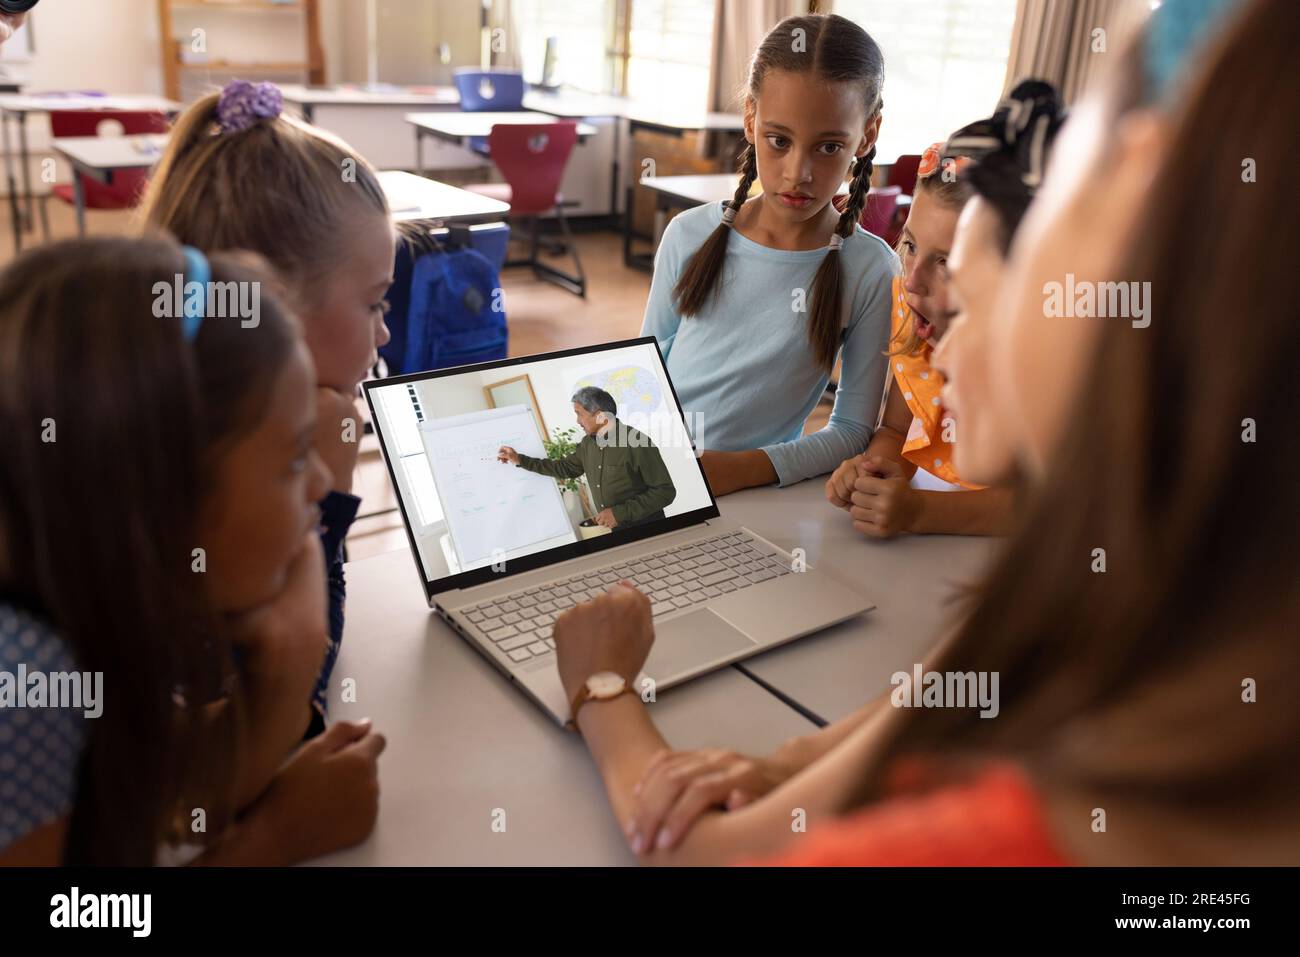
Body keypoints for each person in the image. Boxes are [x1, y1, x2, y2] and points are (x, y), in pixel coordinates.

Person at [0, 237, 385, 865]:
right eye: (293, 456)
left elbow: (174, 797)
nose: (319, 481)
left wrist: (290, 659)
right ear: (160, 496)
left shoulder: (95, 608)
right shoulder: (21, 679)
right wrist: (272, 841)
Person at [138, 79, 396, 730]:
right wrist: (330, 505)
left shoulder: (177, 405)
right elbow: (292, 704)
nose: (385, 332)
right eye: (373, 303)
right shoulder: (226, 485)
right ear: (273, 310)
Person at [640, 13, 896, 497]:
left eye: (829, 147)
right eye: (779, 141)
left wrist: (737, 470)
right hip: (652, 474)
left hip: (753, 498)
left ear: (867, 135)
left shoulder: (871, 270)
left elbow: (852, 431)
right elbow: (642, 374)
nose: (798, 172)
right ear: (751, 118)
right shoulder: (687, 234)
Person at [824, 139, 1016, 537]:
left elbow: (1040, 505)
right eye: (910, 245)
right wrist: (875, 472)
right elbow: (895, 430)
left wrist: (920, 512)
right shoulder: (920, 317)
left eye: (947, 262)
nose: (912, 281)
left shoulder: (1042, 364)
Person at [498, 387, 676, 530]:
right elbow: (564, 468)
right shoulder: (587, 444)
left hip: (650, 528)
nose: (577, 421)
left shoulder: (637, 442)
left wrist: (618, 513)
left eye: (579, 414)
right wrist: (519, 459)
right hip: (618, 530)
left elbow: (664, 491)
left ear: (600, 415)